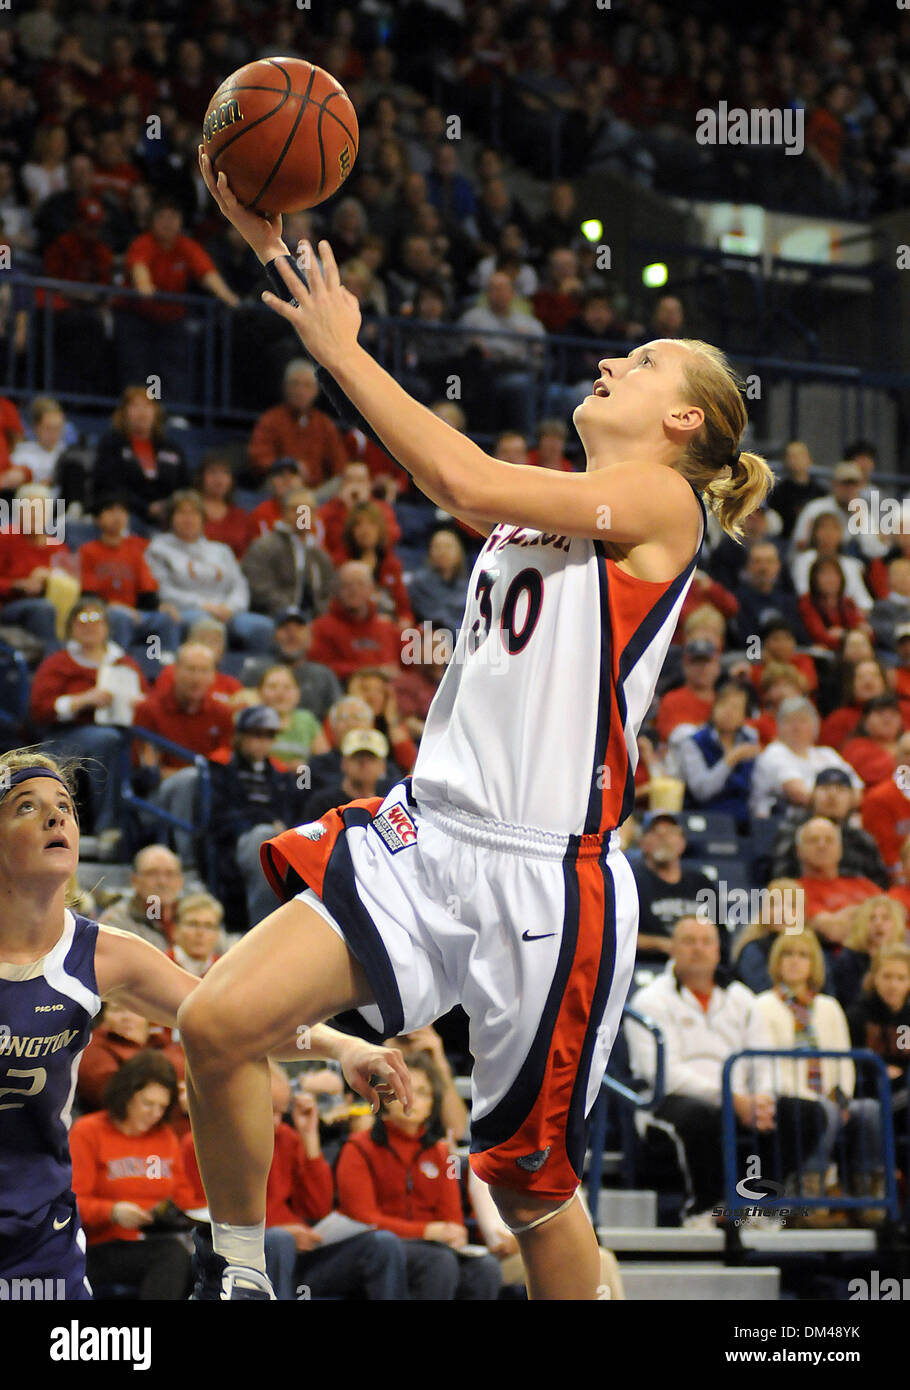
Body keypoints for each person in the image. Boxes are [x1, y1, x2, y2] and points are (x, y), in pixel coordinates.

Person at [177, 150, 773, 1302]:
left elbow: (458, 480)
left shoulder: (662, 504)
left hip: (545, 879)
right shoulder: (560, 497)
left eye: (639, 360)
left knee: (530, 1188)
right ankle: (242, 1277)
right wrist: (274, 249)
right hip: (428, 832)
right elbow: (466, 479)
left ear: (684, 418)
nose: (608, 358)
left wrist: (341, 348)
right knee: (217, 1022)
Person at [627, 917, 824, 1227]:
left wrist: (762, 1097)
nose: (698, 949)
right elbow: (663, 1073)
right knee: (701, 1115)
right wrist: (730, 1099)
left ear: (719, 952)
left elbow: (764, 1058)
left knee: (809, 1113)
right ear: (673, 949)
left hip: (741, 1101)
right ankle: (702, 1209)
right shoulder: (650, 1000)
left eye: (706, 942)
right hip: (670, 1101)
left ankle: (760, 1203)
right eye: (689, 941)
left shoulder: (742, 998)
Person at [335, 1052, 502, 1300]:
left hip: (434, 1249)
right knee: (439, 1261)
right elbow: (363, 1219)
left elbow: (452, 1220)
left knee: (485, 1268)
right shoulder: (359, 1147)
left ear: (432, 1106)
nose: (411, 1098)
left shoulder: (440, 1152)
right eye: (402, 1087)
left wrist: (453, 1234)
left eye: (422, 1092)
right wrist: (425, 1231)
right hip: (379, 1250)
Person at [756, 930, 884, 1226]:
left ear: (814, 963)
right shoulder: (763, 1005)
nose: (795, 962)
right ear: (777, 961)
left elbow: (844, 1062)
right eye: (788, 954)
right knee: (820, 1111)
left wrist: (840, 1098)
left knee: (869, 1111)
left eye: (803, 955)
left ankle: (867, 1197)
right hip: (788, 1099)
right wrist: (819, 1102)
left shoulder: (829, 1007)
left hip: (830, 1097)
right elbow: (768, 1066)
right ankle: (810, 1194)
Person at [29, 598, 147, 849]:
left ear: (107, 627)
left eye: (96, 620)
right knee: (107, 740)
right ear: (71, 627)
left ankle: (129, 830)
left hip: (120, 734)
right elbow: (38, 710)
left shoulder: (124, 664)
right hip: (64, 736)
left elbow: (149, 705)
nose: (90, 627)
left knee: (122, 743)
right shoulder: (59, 663)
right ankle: (108, 826)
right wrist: (82, 700)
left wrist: (141, 707)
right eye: (82, 621)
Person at [145, 490, 275, 653]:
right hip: (186, 611)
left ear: (203, 519)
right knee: (206, 625)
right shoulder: (158, 548)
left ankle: (255, 671)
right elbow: (163, 591)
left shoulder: (221, 550)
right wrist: (203, 606)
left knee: (263, 626)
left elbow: (239, 586)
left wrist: (230, 607)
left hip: (226, 611)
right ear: (171, 518)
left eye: (194, 513)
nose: (188, 519)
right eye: (182, 513)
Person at [767, 766, 888, 888]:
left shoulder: (862, 839)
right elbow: (780, 879)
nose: (832, 795)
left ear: (853, 799)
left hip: (856, 900)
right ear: (812, 796)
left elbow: (880, 883)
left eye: (841, 789)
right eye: (825, 788)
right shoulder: (793, 832)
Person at [749, 697, 862, 819]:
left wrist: (832, 803)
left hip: (829, 820)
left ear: (815, 726)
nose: (796, 727)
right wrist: (839, 802)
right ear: (778, 727)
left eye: (803, 721)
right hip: (780, 823)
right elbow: (799, 794)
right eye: (789, 721)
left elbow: (857, 792)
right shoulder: (774, 753)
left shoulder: (827, 754)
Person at [632, 811, 717, 966]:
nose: (663, 837)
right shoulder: (633, 882)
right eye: (655, 832)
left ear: (682, 842)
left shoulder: (701, 883)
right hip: (652, 967)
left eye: (671, 832)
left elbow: (720, 934)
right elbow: (619, 935)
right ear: (643, 843)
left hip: (699, 967)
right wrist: (662, 944)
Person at [247, 358, 348, 484]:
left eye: (307, 385)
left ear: (316, 391)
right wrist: (288, 466)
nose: (300, 391)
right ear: (285, 387)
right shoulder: (270, 420)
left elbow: (340, 466)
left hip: (316, 495)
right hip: (280, 488)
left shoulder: (325, 424)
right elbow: (258, 459)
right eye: (295, 384)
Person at [675, 680, 760, 829]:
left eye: (735, 707)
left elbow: (756, 789)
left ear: (743, 716)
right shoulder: (693, 743)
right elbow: (702, 791)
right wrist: (731, 759)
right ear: (714, 708)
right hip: (703, 822)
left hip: (743, 824)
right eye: (724, 705)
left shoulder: (750, 739)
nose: (728, 712)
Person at [847, 943, 910, 1116]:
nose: (893, 985)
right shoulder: (857, 1016)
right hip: (870, 1095)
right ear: (875, 978)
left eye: (901, 978)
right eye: (887, 976)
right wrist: (881, 1069)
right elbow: (851, 1064)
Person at [830, 895, 907, 1010]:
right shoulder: (847, 960)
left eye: (885, 918)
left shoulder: (906, 958)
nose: (878, 923)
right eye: (872, 918)